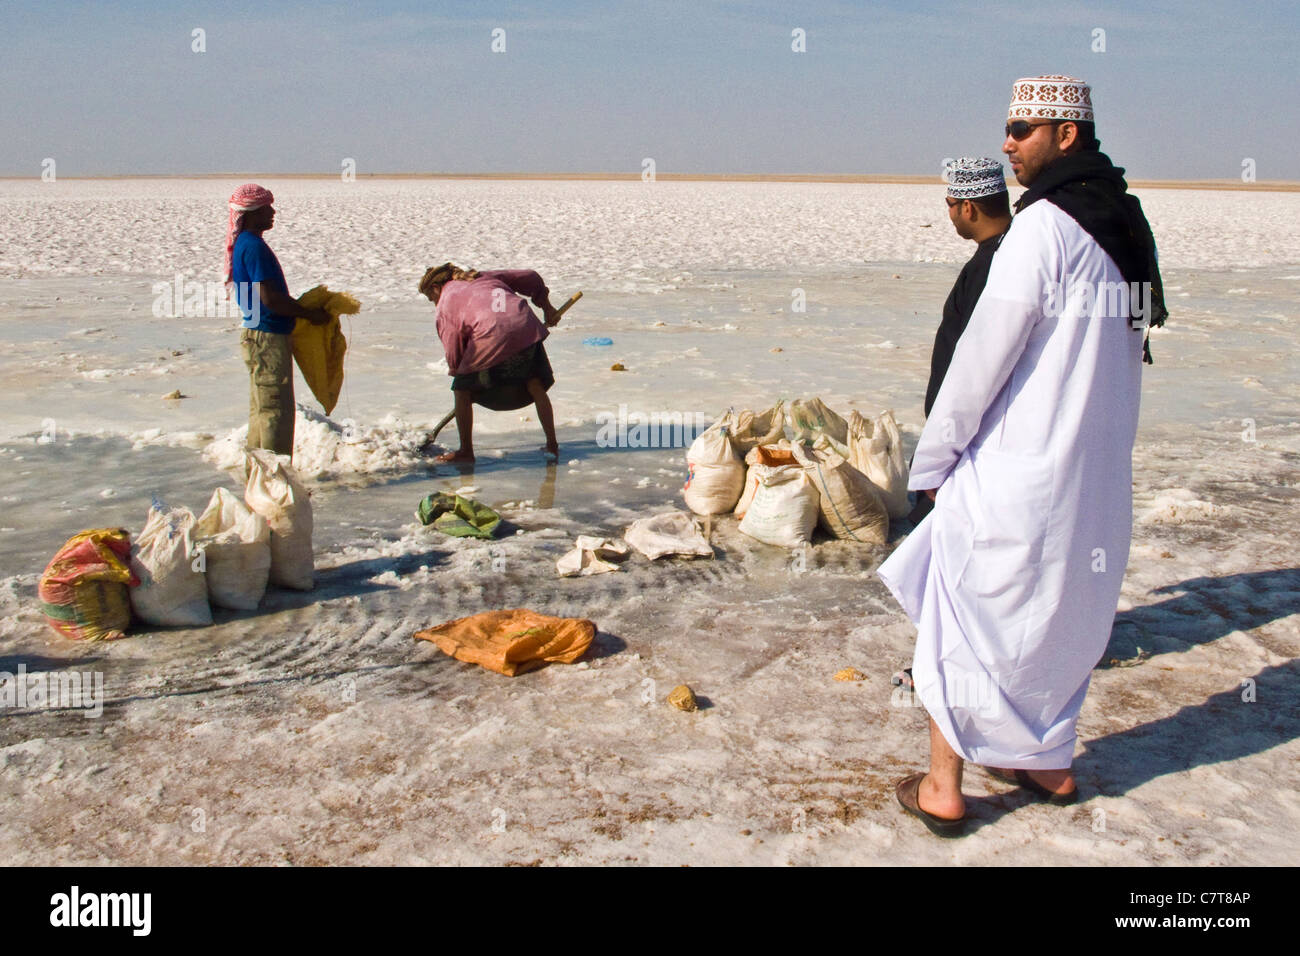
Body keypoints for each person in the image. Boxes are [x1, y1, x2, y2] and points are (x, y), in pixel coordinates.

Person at [877, 75, 1166, 837]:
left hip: (1016, 470)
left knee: (962, 622)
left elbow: (979, 367)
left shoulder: (1044, 228)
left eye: (1023, 129)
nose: (1007, 143)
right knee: (1058, 618)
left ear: (1066, 134)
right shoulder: (1124, 225)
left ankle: (944, 787)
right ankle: (1045, 760)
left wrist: (932, 468)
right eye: (1006, 128)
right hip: (1093, 481)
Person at [908, 158, 1012, 526]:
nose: (950, 215)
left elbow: (975, 367)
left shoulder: (994, 265)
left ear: (968, 206)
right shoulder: (1007, 254)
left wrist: (942, 453)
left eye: (950, 205)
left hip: (971, 439)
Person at [224, 184, 329, 457]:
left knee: (261, 409)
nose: (273, 212)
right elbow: (271, 299)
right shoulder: (254, 247)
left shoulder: (246, 244)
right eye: (266, 208)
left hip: (257, 333)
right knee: (275, 412)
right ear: (249, 213)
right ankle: (275, 479)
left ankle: (261, 477)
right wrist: (309, 313)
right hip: (267, 337)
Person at [419, 263, 561, 463]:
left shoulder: (445, 301)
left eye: (430, 298)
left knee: (462, 391)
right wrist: (546, 307)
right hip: (524, 325)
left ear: (435, 288)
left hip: (491, 333)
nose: (433, 302)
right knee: (534, 384)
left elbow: (452, 341)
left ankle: (466, 452)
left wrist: (459, 373)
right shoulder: (483, 276)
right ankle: (552, 445)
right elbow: (530, 276)